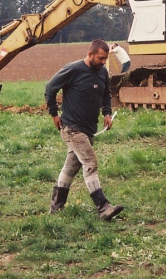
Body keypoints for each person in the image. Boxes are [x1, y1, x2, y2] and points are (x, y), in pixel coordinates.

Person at [45, 39, 123, 220]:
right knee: (90, 163)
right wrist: (54, 114)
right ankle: (103, 207)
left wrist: (107, 113)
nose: (103, 62)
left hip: (88, 129)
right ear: (90, 54)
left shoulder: (102, 72)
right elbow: (50, 88)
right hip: (72, 128)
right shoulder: (73, 69)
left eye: (105, 59)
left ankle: (56, 208)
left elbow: (106, 94)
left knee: (71, 167)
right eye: (100, 58)